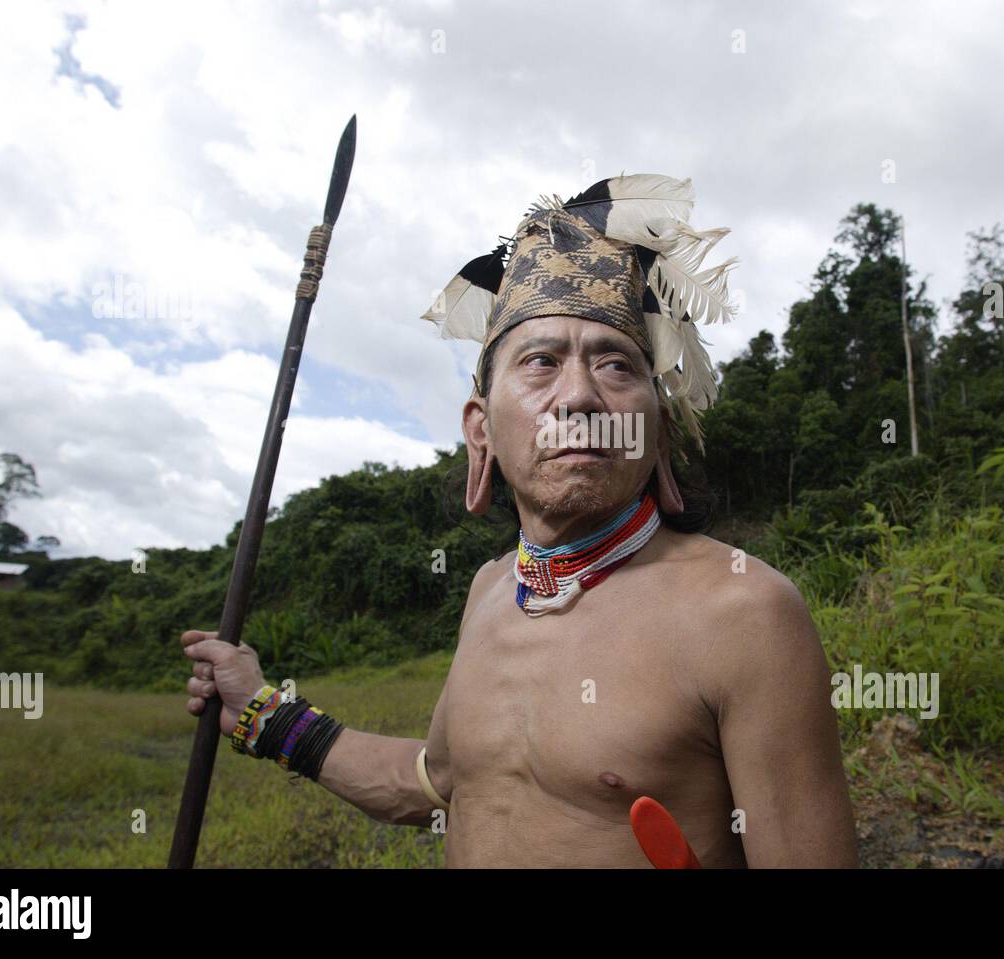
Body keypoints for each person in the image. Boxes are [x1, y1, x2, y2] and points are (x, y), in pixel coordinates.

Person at [181, 174, 858, 867]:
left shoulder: (743, 612)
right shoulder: (489, 591)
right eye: (541, 362)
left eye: (617, 364)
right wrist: (265, 715)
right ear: (482, 432)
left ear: (654, 437)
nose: (580, 395)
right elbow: (440, 785)